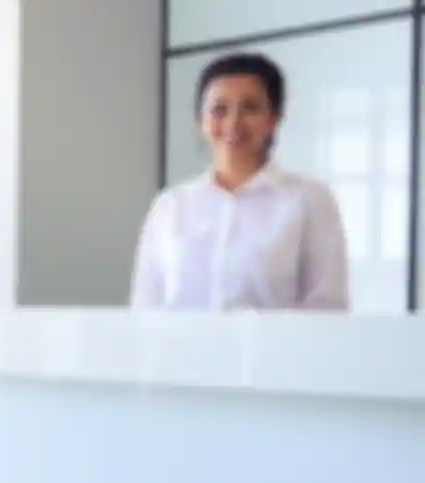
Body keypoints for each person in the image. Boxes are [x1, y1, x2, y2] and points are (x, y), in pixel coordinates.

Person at [131, 53, 349, 311]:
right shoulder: (170, 206)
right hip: (181, 351)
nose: (233, 123)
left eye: (250, 108)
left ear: (273, 119)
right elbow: (145, 308)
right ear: (201, 120)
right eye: (219, 109)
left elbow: (326, 309)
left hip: (276, 352)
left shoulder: (309, 200)